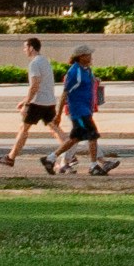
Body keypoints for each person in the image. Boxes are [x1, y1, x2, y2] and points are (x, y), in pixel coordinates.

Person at [48, 43, 113, 175]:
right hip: (78, 111)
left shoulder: (87, 70)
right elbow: (65, 94)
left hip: (85, 110)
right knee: (92, 135)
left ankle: (50, 158)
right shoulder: (74, 72)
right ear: (81, 56)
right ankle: (94, 165)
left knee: (75, 139)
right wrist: (59, 114)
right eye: (88, 54)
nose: (90, 57)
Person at [0, 34, 58, 168]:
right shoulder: (45, 61)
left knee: (23, 129)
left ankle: (10, 158)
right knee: (55, 130)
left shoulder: (34, 63)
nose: (24, 50)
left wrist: (27, 103)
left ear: (31, 48)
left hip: (37, 103)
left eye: (25, 47)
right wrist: (24, 100)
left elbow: (35, 85)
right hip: (49, 101)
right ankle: (69, 156)